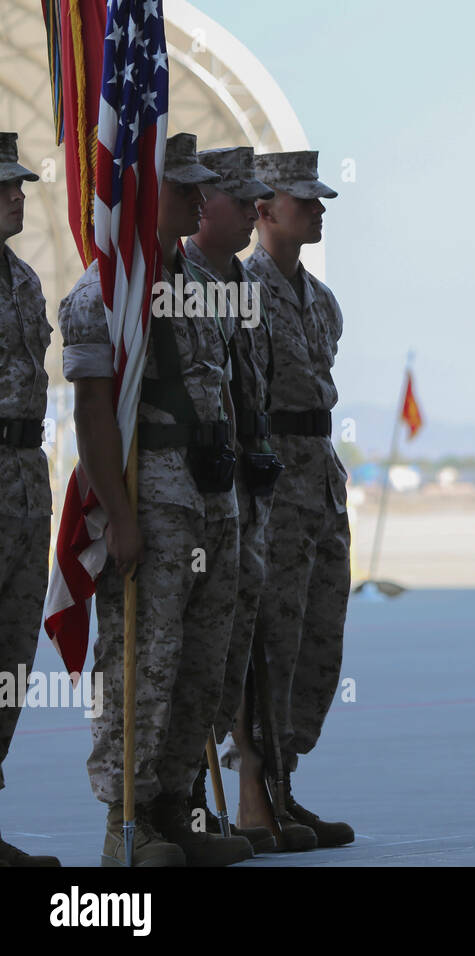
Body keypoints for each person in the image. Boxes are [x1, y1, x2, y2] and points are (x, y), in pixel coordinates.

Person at [60, 133, 252, 866]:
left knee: (207, 663)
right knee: (143, 662)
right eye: (184, 188)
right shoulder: (106, 290)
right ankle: (127, 819)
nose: (201, 200)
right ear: (145, 194)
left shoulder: (197, 284)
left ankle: (178, 807)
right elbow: (94, 411)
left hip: (210, 499)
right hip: (154, 498)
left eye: (204, 187)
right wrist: (121, 514)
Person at [184, 145, 314, 852]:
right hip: (203, 492)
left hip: (259, 486)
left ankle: (268, 792)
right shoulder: (182, 284)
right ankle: (212, 799)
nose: (317, 211)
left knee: (259, 650)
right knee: (198, 653)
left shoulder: (240, 285)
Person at [239, 150, 353, 848]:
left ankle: (284, 784)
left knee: (317, 639)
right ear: (263, 209)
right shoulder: (241, 289)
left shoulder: (321, 299)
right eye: (303, 200)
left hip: (320, 478)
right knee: (269, 639)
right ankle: (254, 792)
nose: (317, 211)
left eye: (319, 200)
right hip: (274, 475)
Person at [0, 131, 60, 867]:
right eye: (7, 185)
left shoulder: (22, 281)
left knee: (12, 656)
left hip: (22, 475)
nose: (19, 193)